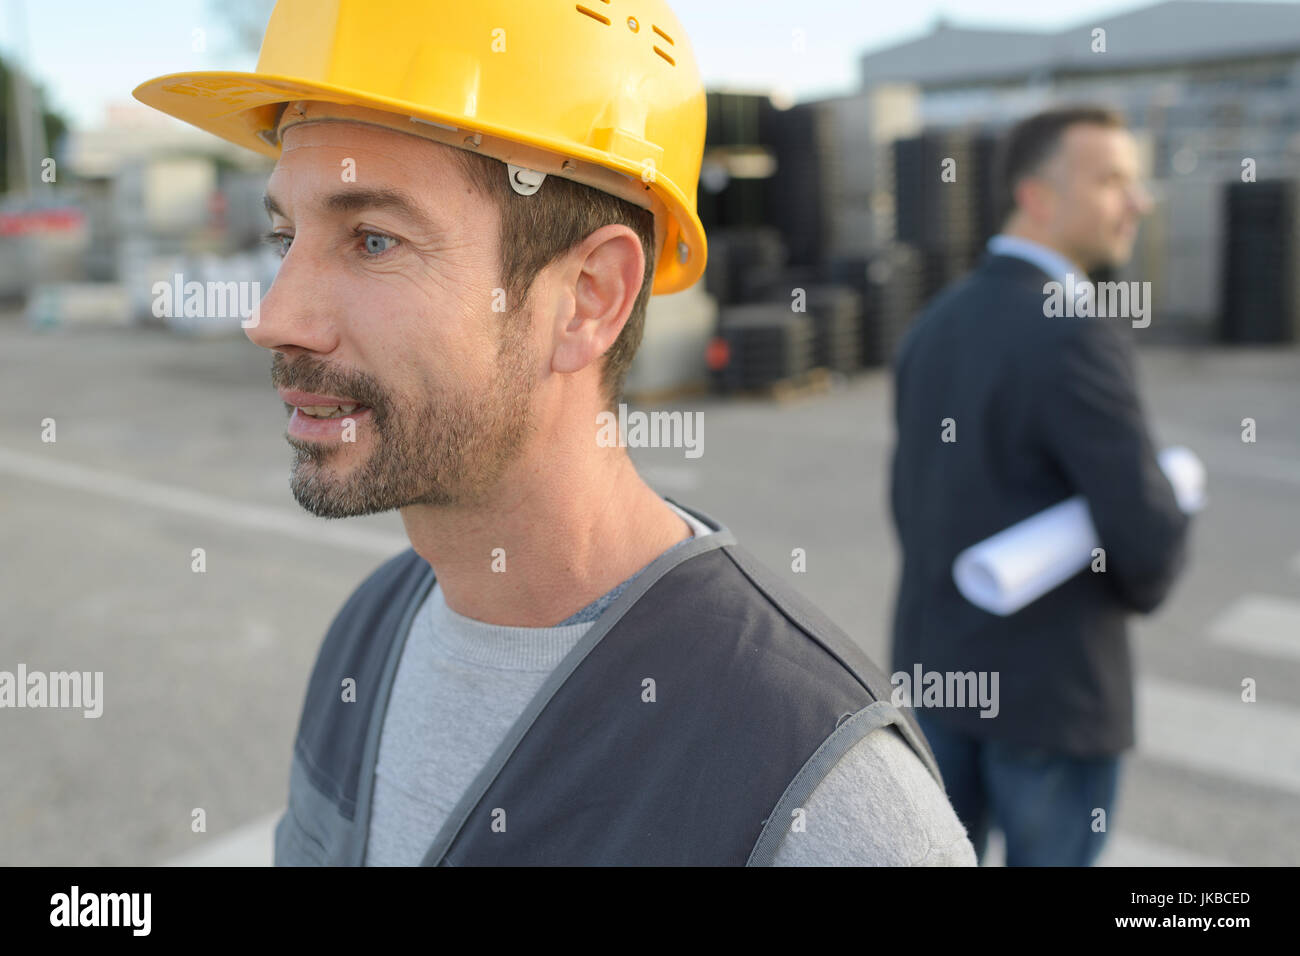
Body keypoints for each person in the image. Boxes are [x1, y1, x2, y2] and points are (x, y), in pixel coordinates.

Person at [135, 0, 975, 866]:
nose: (273, 318)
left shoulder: (821, 800)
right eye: (285, 236)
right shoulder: (369, 632)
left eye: (374, 240)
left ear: (589, 299)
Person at [888, 106, 1193, 866]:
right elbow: (1146, 548)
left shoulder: (933, 323)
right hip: (1050, 703)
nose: (1139, 200)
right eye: (1114, 180)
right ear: (1037, 196)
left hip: (939, 675)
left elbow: (914, 501)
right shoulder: (1074, 332)